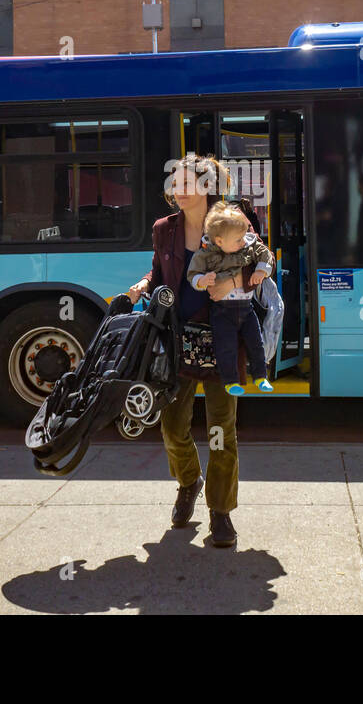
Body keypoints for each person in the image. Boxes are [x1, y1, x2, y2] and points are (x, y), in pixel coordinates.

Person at [126, 155, 257, 548]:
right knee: (171, 428)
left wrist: (231, 279)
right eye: (174, 183)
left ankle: (221, 512)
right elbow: (158, 271)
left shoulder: (235, 222)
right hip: (175, 342)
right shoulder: (164, 229)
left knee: (221, 432)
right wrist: (142, 285)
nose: (177, 190)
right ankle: (188, 482)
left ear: (207, 185)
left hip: (223, 342)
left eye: (186, 183)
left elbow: (259, 269)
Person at [186, 201, 276, 395]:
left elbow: (265, 255)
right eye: (238, 239)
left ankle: (261, 376)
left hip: (246, 308)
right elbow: (192, 275)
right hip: (222, 311)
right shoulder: (205, 254)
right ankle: (230, 381)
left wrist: (261, 270)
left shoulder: (247, 245)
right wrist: (202, 280)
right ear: (219, 241)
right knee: (225, 347)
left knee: (256, 343)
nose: (243, 242)